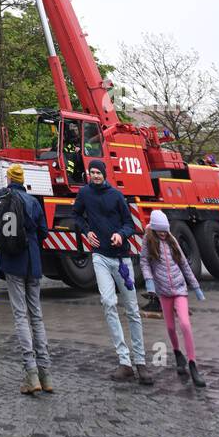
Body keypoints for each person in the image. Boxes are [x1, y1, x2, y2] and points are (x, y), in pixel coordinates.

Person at [73, 159, 153, 385]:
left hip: (122, 259)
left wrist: (121, 234)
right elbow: (77, 216)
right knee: (108, 303)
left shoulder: (117, 196)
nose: (95, 176)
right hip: (99, 256)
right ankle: (124, 361)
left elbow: (130, 223)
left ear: (105, 174)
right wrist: (86, 232)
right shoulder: (85, 194)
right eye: (92, 173)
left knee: (132, 309)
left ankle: (141, 361)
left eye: (98, 173)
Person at [0, 165, 52, 393]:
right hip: (33, 262)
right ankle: (45, 374)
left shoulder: (3, 196)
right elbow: (43, 231)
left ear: (8, 179)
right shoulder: (32, 201)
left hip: (13, 262)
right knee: (37, 317)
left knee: (20, 316)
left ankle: (30, 374)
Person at [140, 210, 206, 387]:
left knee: (185, 324)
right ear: (153, 229)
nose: (163, 233)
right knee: (170, 327)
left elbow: (184, 263)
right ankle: (178, 354)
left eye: (165, 230)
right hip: (163, 291)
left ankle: (193, 365)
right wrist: (149, 281)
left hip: (179, 288)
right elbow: (144, 261)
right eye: (160, 230)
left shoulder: (171, 239)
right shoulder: (148, 240)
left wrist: (196, 287)